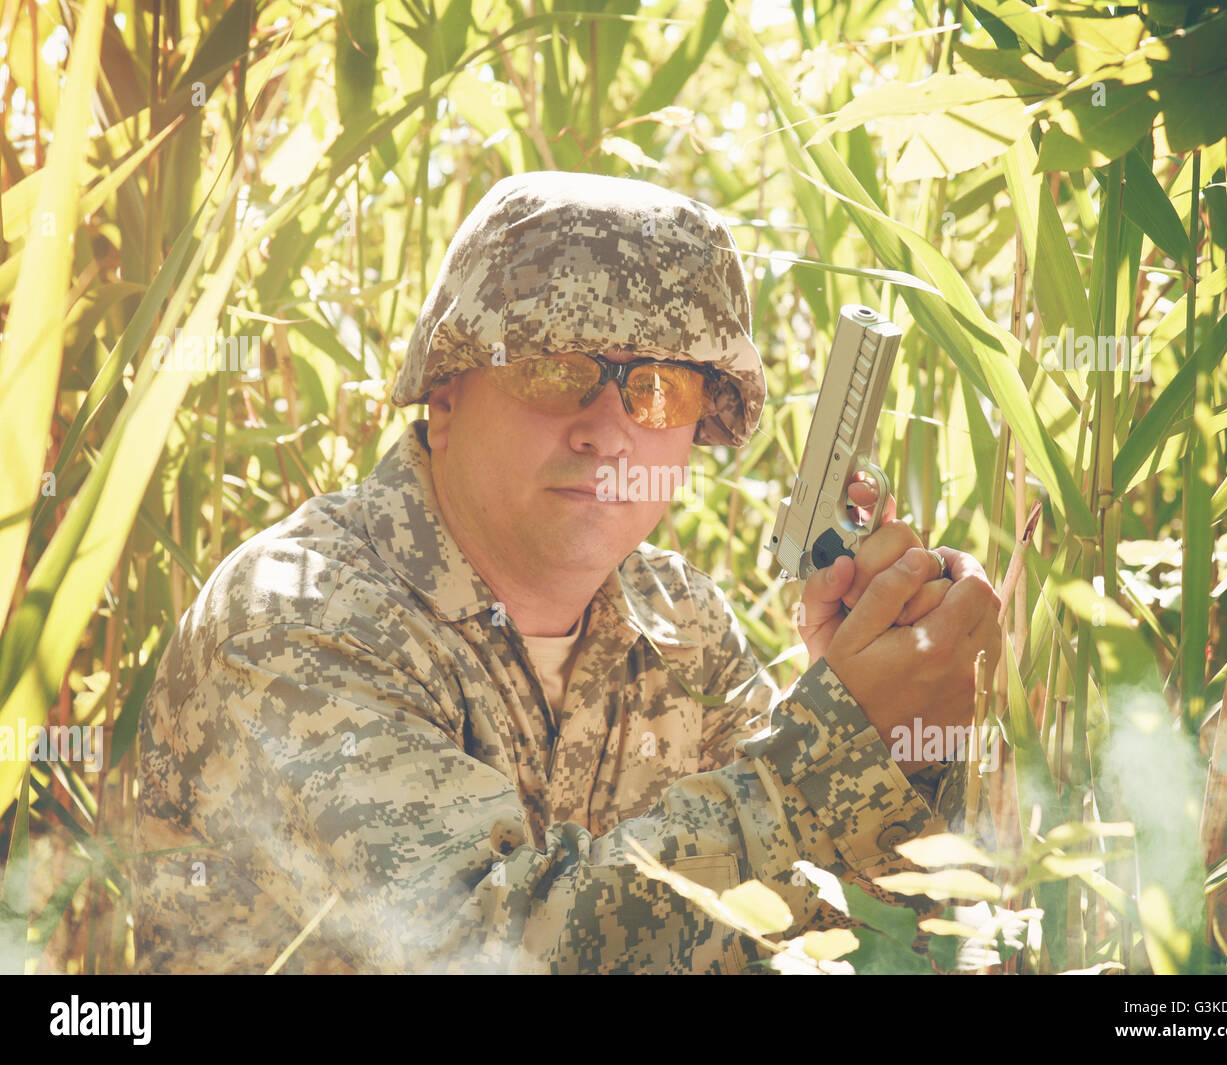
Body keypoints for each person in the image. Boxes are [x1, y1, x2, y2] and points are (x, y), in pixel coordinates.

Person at [130, 171, 1001, 974]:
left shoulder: (683, 624)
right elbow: (487, 950)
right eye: (557, 370)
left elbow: (822, 934)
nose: (607, 429)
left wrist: (900, 732)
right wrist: (825, 750)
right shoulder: (295, 615)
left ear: (698, 428)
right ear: (445, 395)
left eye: (657, 388)